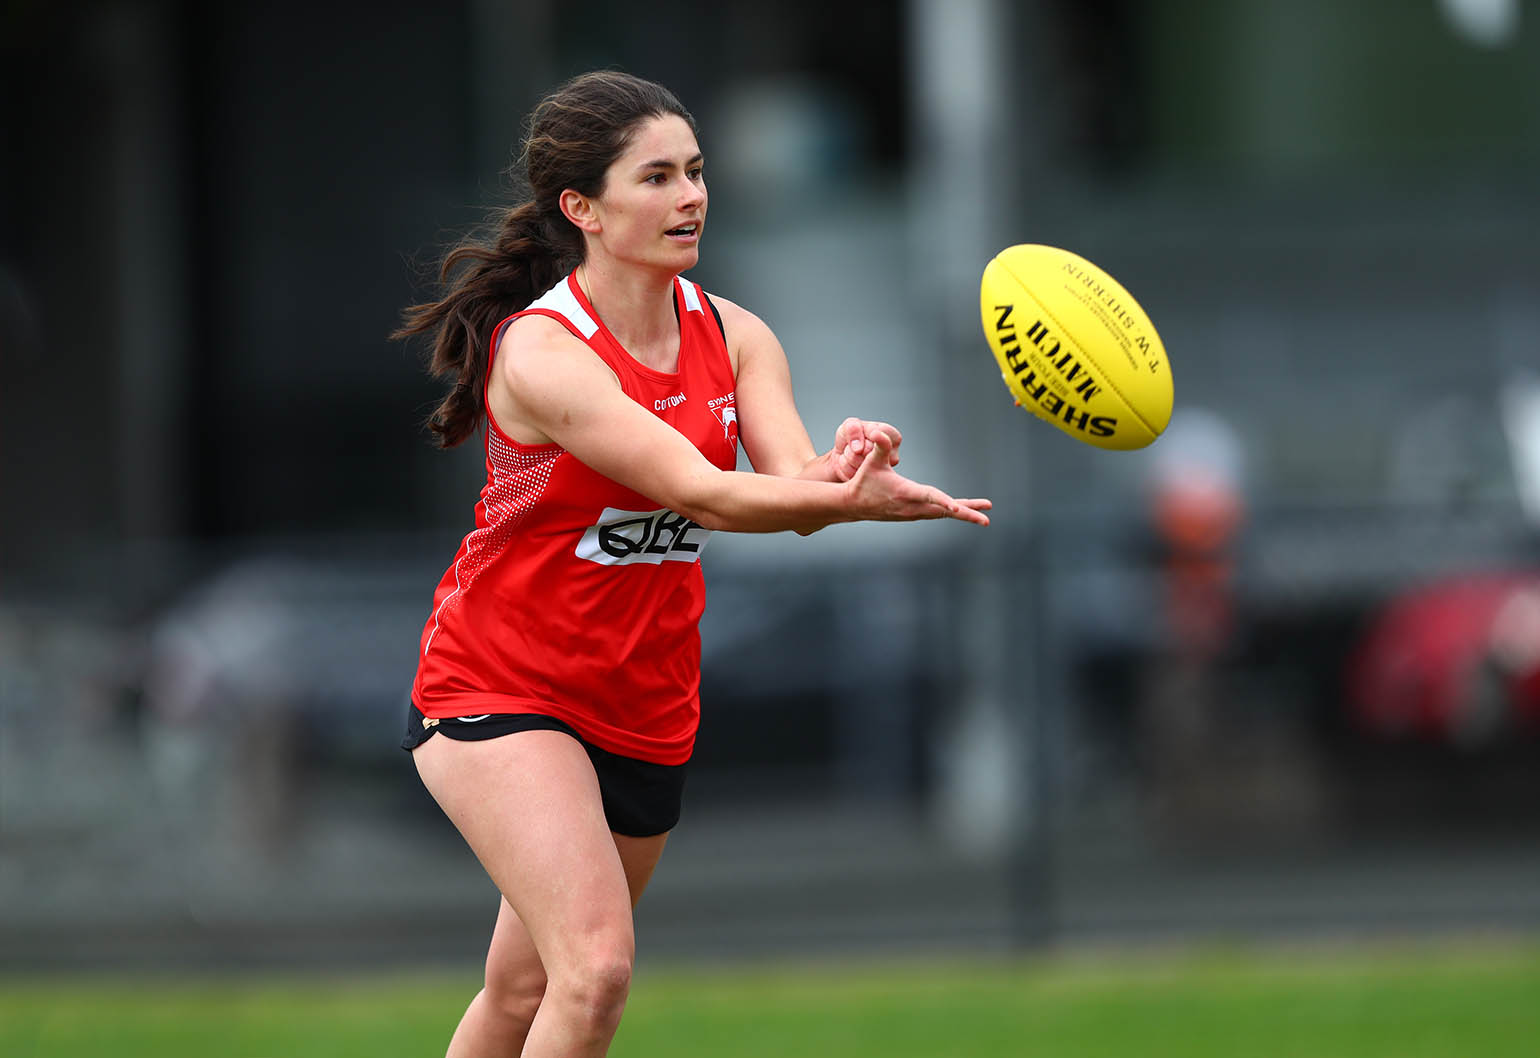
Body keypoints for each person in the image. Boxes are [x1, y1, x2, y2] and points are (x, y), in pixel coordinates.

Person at [392, 70, 990, 1058]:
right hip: (499, 683)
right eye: (658, 176)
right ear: (582, 208)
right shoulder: (544, 352)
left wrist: (844, 475)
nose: (691, 196)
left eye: (697, 172)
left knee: (522, 985)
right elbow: (704, 491)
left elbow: (788, 486)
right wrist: (836, 501)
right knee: (594, 971)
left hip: (645, 700)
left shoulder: (737, 334)